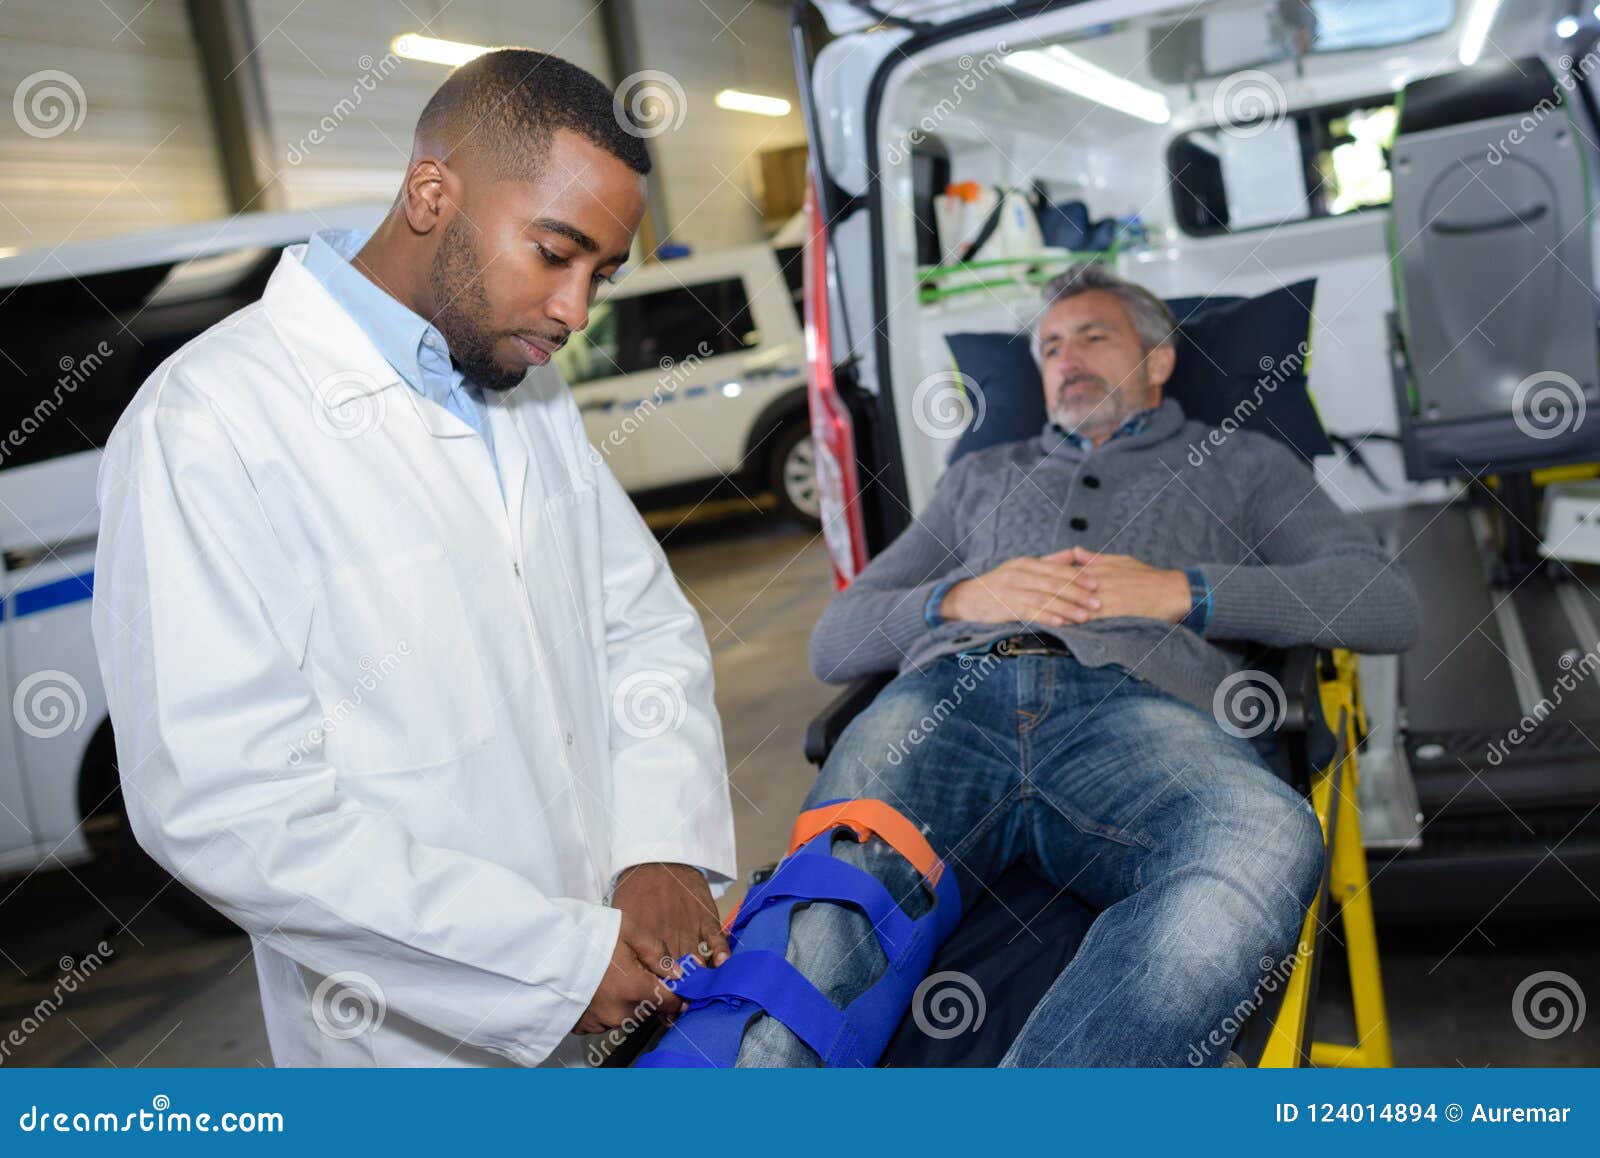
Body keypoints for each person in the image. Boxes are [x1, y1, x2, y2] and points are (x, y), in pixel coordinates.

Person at [91, 49, 734, 1068]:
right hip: (414, 1049)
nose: (576, 311)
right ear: (433, 193)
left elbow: (638, 621)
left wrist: (657, 840)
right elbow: (228, 806)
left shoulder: (525, 383)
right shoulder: (212, 420)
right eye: (553, 254)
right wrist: (547, 963)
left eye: (600, 275)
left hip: (620, 977)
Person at [729, 263, 1419, 1066]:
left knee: (1263, 837)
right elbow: (832, 642)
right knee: (828, 904)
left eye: (1094, 335)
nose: (1067, 358)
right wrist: (958, 599)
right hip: (945, 708)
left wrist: (1184, 592)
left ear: (1159, 361)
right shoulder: (979, 478)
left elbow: (1383, 602)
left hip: (1134, 713)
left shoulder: (1243, 463)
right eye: (1051, 346)